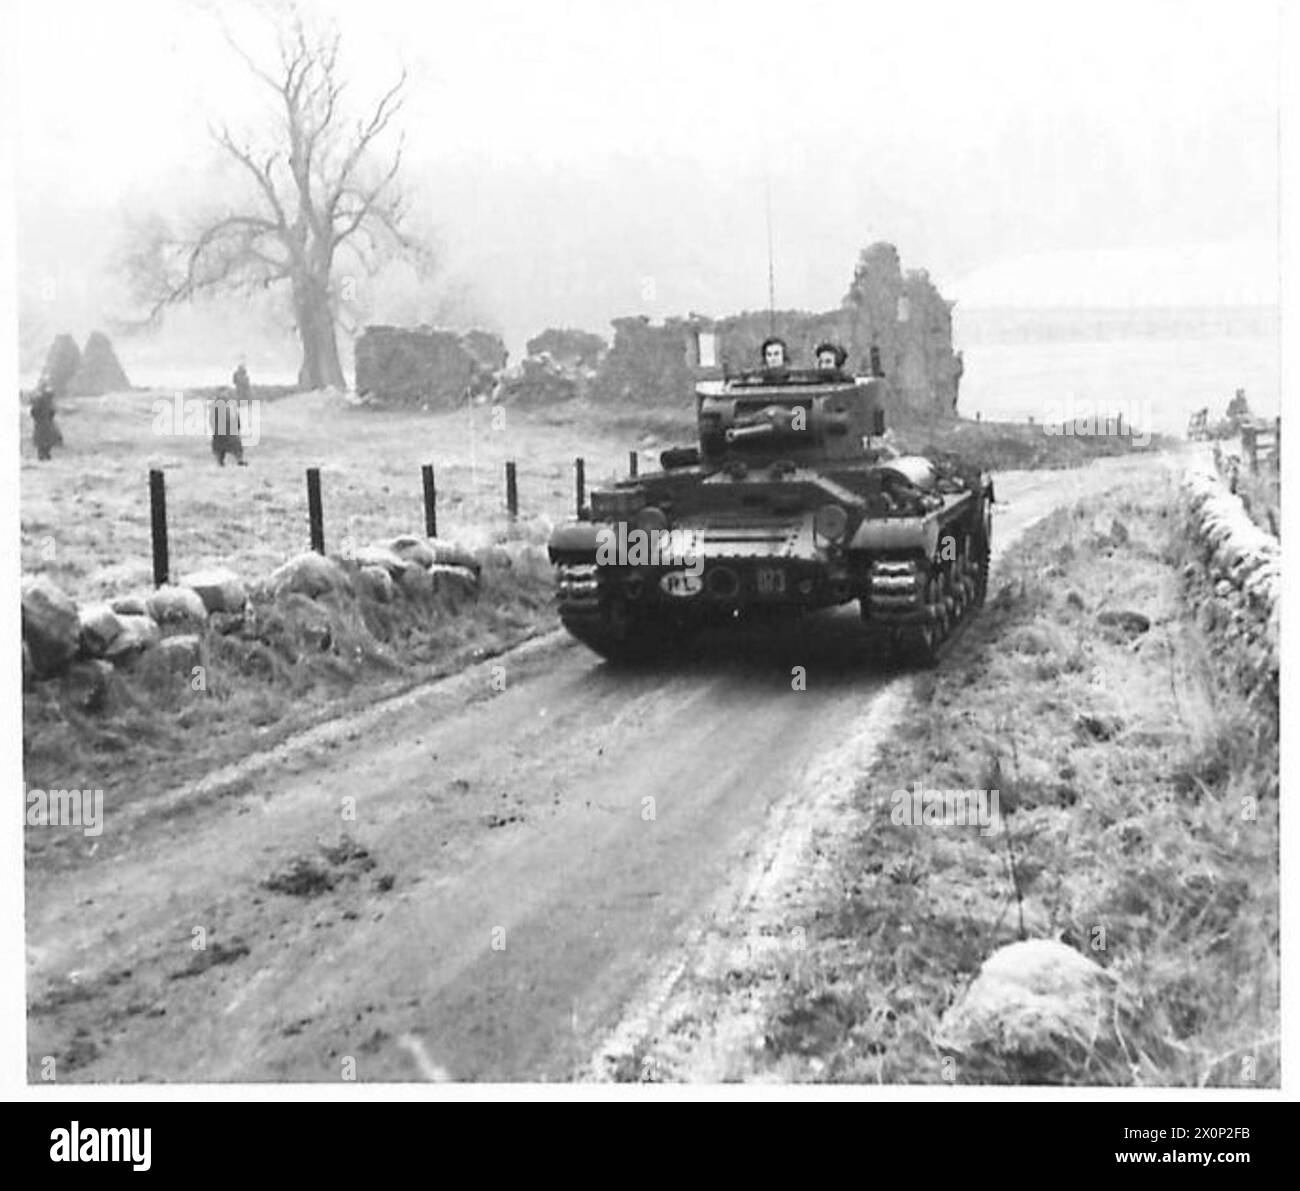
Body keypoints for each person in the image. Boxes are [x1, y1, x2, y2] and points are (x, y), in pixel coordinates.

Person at [212, 388, 246, 466]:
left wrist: (238, 426)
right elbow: (213, 419)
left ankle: (239, 460)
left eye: (226, 393)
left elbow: (235, 415)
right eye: (223, 393)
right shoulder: (216, 405)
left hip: (231, 430)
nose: (225, 394)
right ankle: (220, 463)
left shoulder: (231, 404)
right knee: (219, 449)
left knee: (236, 446)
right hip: (221, 431)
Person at [30, 379, 61, 461]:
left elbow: (33, 411)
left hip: (42, 422)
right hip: (45, 421)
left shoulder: (39, 399)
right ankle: (44, 454)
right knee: (46, 439)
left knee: (43, 439)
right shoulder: (45, 400)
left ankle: (43, 454)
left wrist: (37, 418)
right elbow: (52, 411)